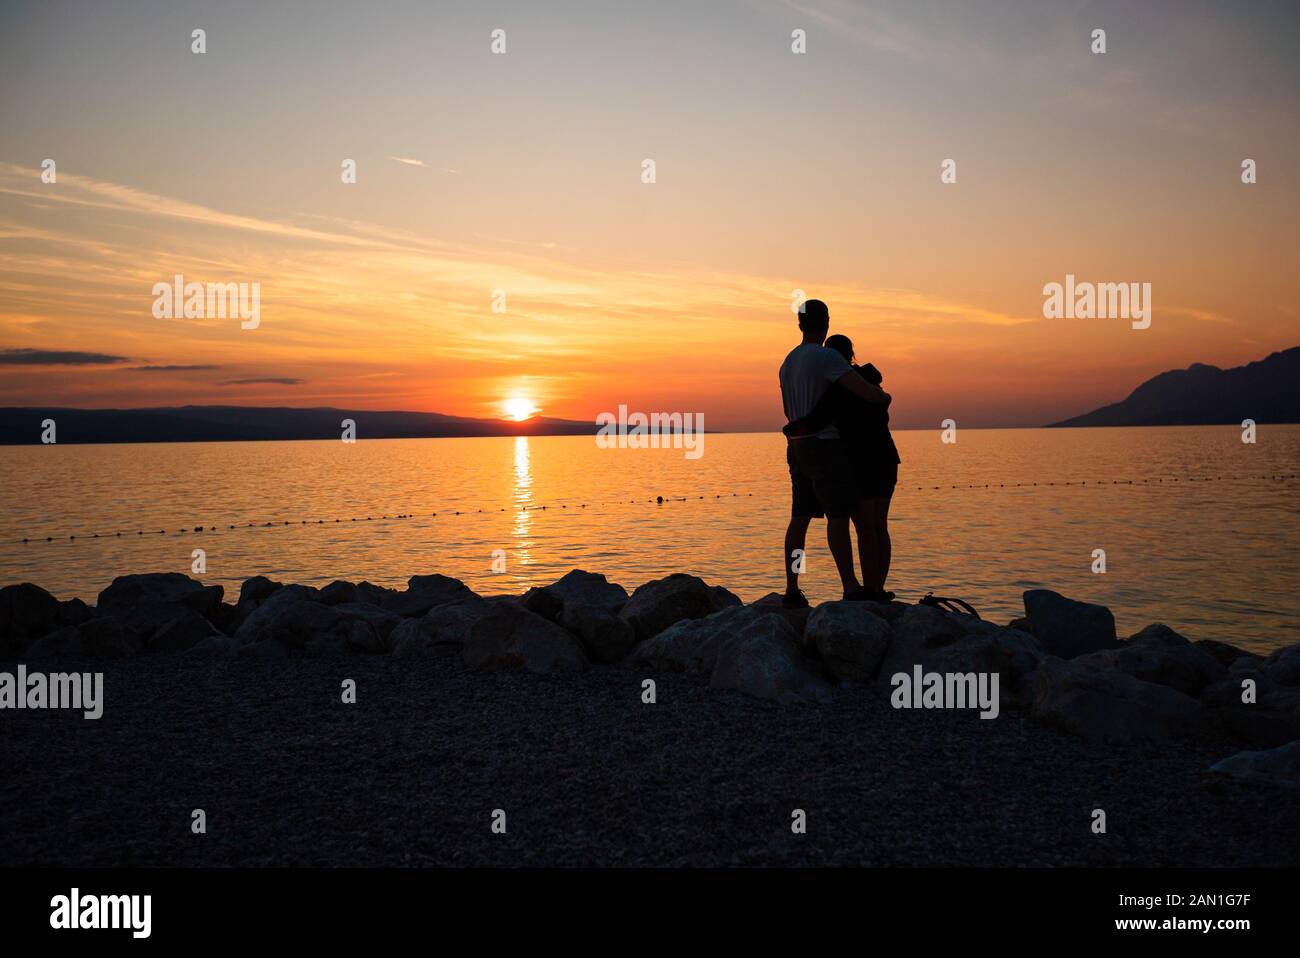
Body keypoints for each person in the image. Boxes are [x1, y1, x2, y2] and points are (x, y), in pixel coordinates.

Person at [778, 300, 890, 608]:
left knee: (799, 518)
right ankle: (851, 586)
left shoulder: (788, 361)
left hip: (796, 446)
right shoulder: (826, 357)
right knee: (838, 516)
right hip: (825, 446)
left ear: (799, 324)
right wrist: (885, 396)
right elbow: (865, 392)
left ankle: (792, 588)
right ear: (825, 322)